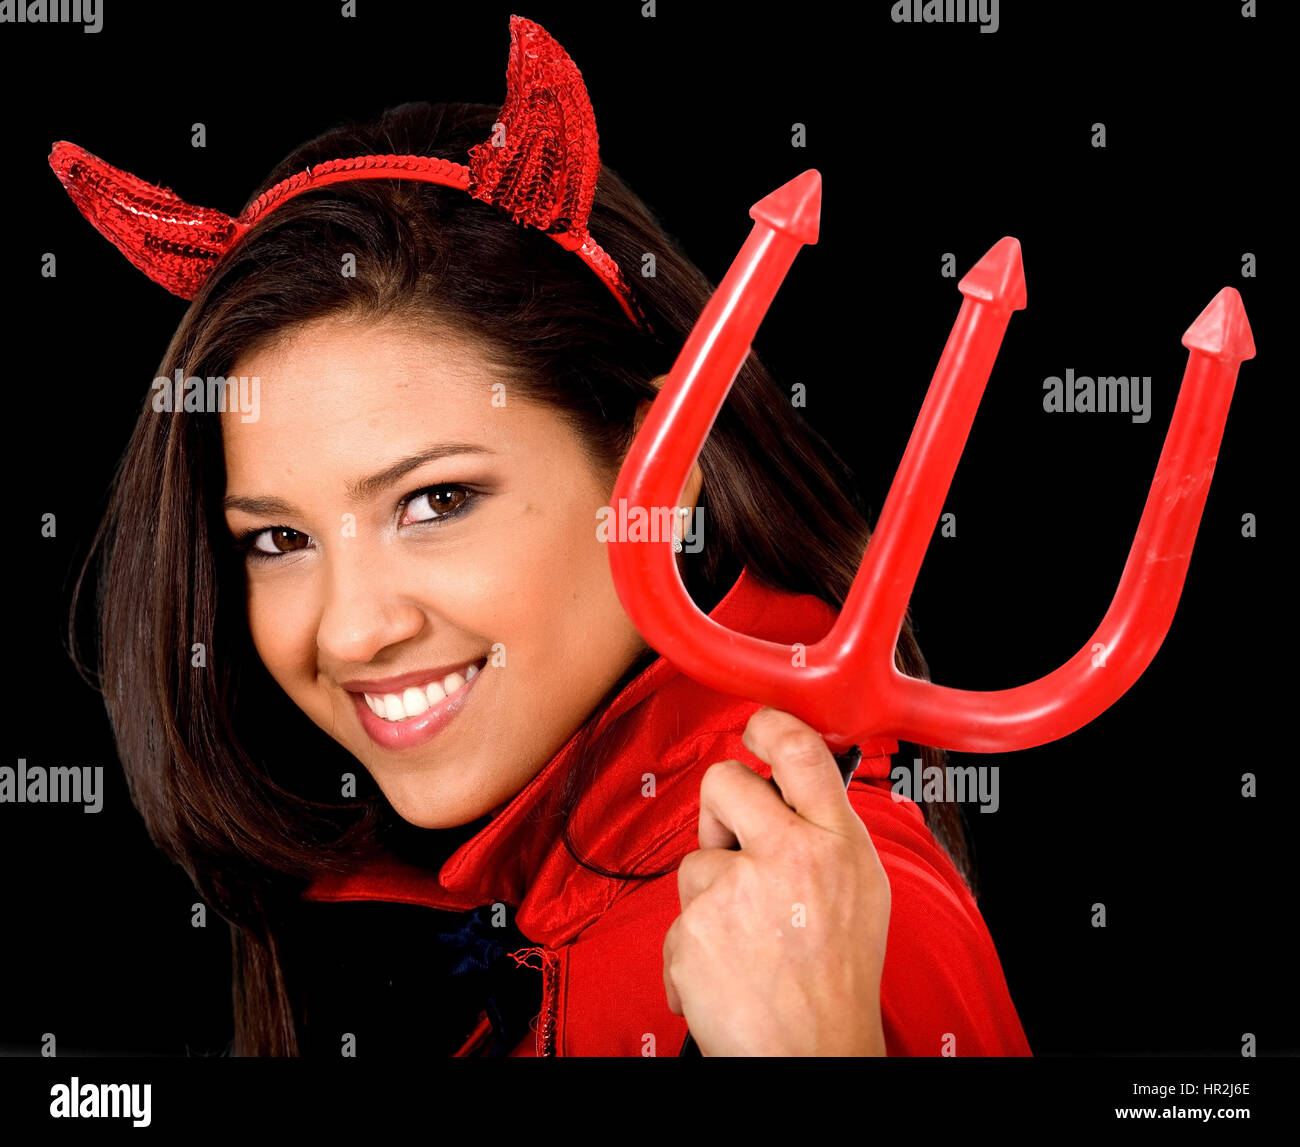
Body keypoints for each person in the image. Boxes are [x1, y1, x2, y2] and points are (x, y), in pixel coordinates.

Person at [59, 16, 1030, 1057]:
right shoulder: (444, 919)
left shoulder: (842, 924)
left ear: (662, 467)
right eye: (279, 540)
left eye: (435, 502)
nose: (349, 631)